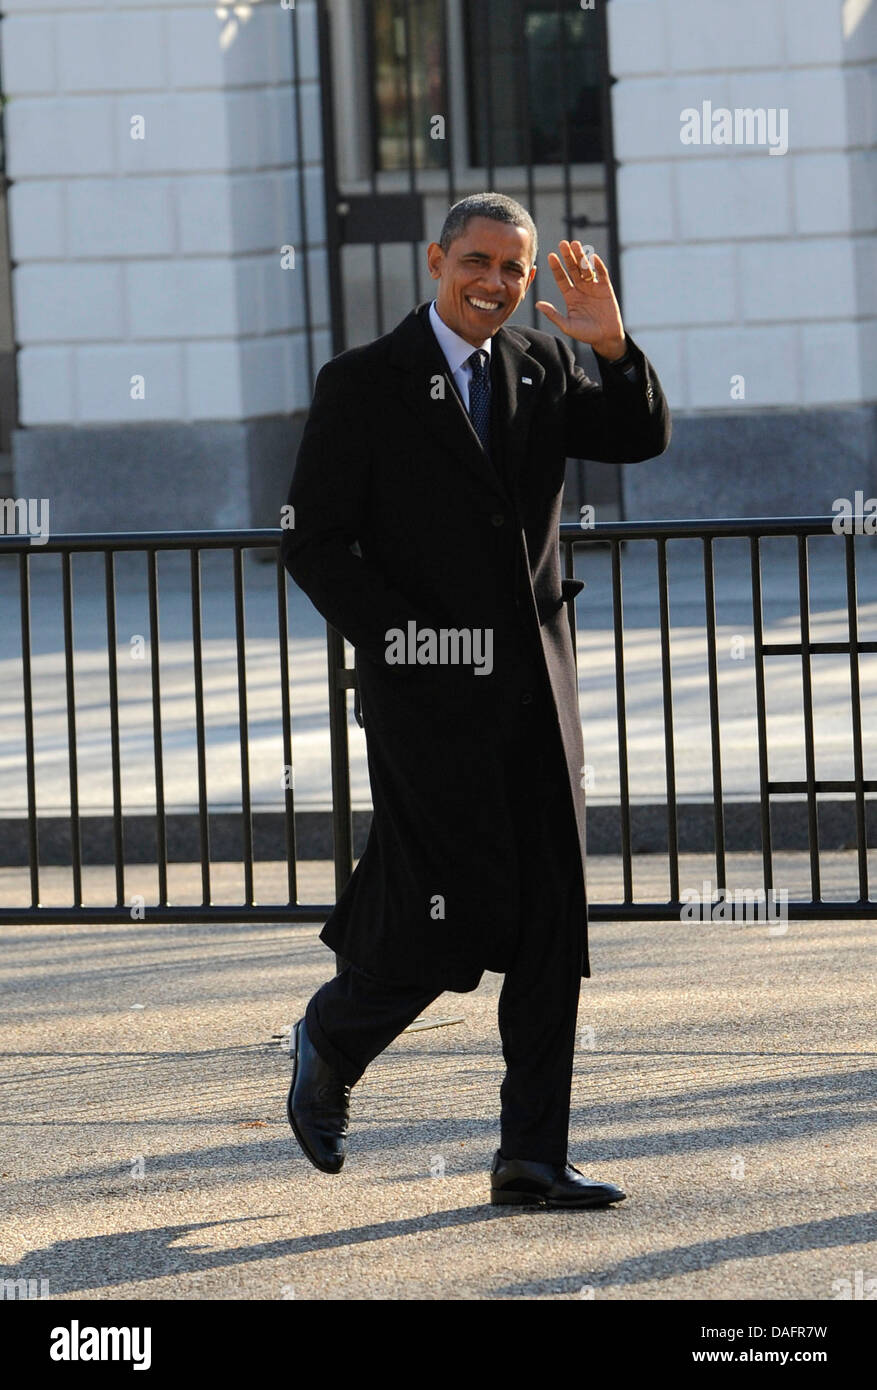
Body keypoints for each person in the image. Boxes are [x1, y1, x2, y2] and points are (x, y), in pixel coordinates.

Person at [280, 192, 670, 1208]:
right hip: (427, 702)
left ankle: (530, 1156)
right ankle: (333, 1035)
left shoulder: (539, 367)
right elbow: (314, 543)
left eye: (514, 268)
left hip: (537, 697)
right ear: (435, 259)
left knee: (550, 926)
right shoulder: (362, 384)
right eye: (479, 261)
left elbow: (636, 438)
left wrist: (614, 346)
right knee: (448, 915)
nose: (496, 283)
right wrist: (408, 645)